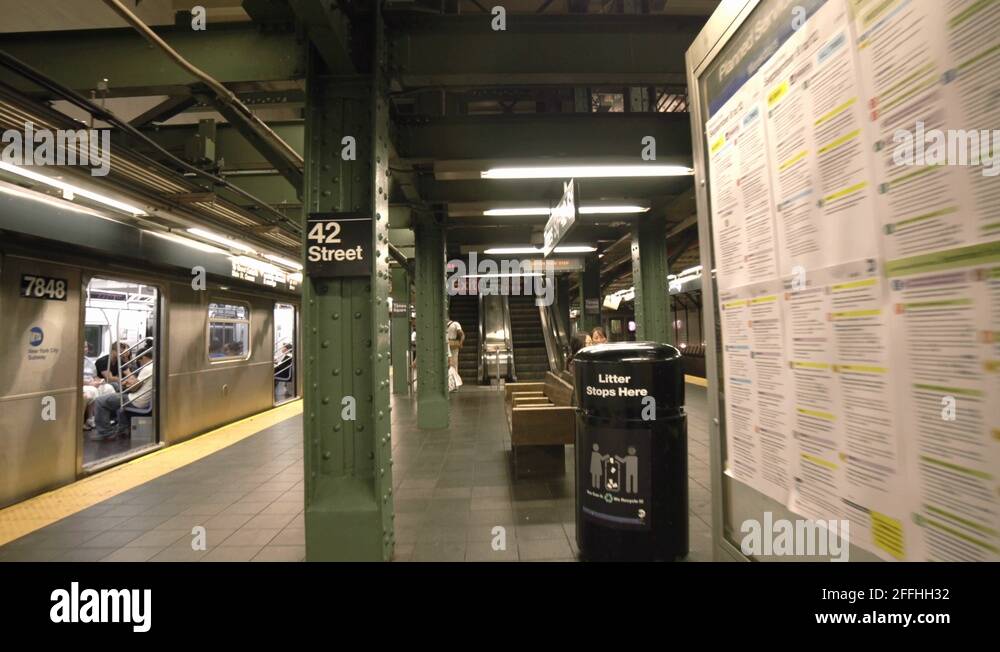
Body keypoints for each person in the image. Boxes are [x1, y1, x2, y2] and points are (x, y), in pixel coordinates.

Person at [93, 340, 154, 440]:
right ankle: (122, 428)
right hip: (139, 397)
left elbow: (134, 386)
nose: (139, 363)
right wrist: (128, 381)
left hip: (135, 400)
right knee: (115, 389)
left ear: (144, 358)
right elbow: (110, 378)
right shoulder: (104, 361)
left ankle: (106, 433)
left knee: (100, 401)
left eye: (139, 360)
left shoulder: (147, 368)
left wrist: (128, 382)